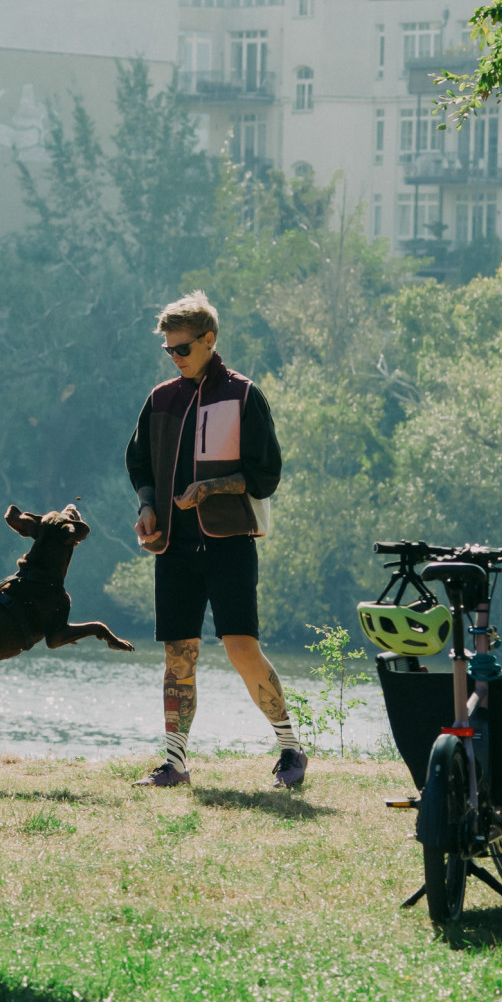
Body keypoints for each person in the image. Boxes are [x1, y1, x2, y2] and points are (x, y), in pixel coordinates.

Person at [125, 290, 308, 789]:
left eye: (182, 348)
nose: (175, 357)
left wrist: (210, 487)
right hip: (173, 548)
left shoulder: (245, 395)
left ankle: (291, 749)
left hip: (229, 543)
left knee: (241, 648)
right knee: (177, 655)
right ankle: (174, 763)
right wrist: (147, 507)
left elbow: (265, 475)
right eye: (168, 351)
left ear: (209, 340)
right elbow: (139, 463)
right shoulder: (161, 398)